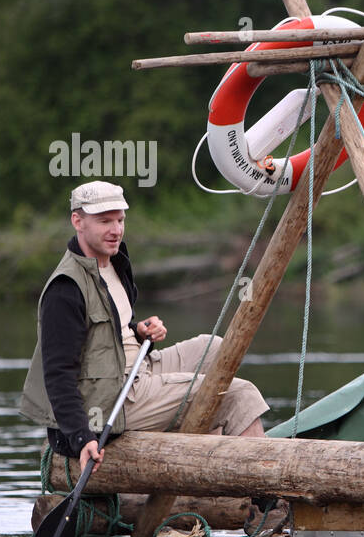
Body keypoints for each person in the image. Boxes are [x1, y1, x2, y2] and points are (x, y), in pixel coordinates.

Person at [19, 181, 269, 477]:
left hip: (139, 369)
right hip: (113, 401)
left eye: (120, 220)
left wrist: (138, 331)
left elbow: (109, 333)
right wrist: (80, 436)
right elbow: (58, 374)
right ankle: (266, 497)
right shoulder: (65, 290)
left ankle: (210, 458)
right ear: (78, 221)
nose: (116, 230)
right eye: (104, 221)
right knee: (238, 394)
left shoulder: (114, 264)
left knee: (217, 347)